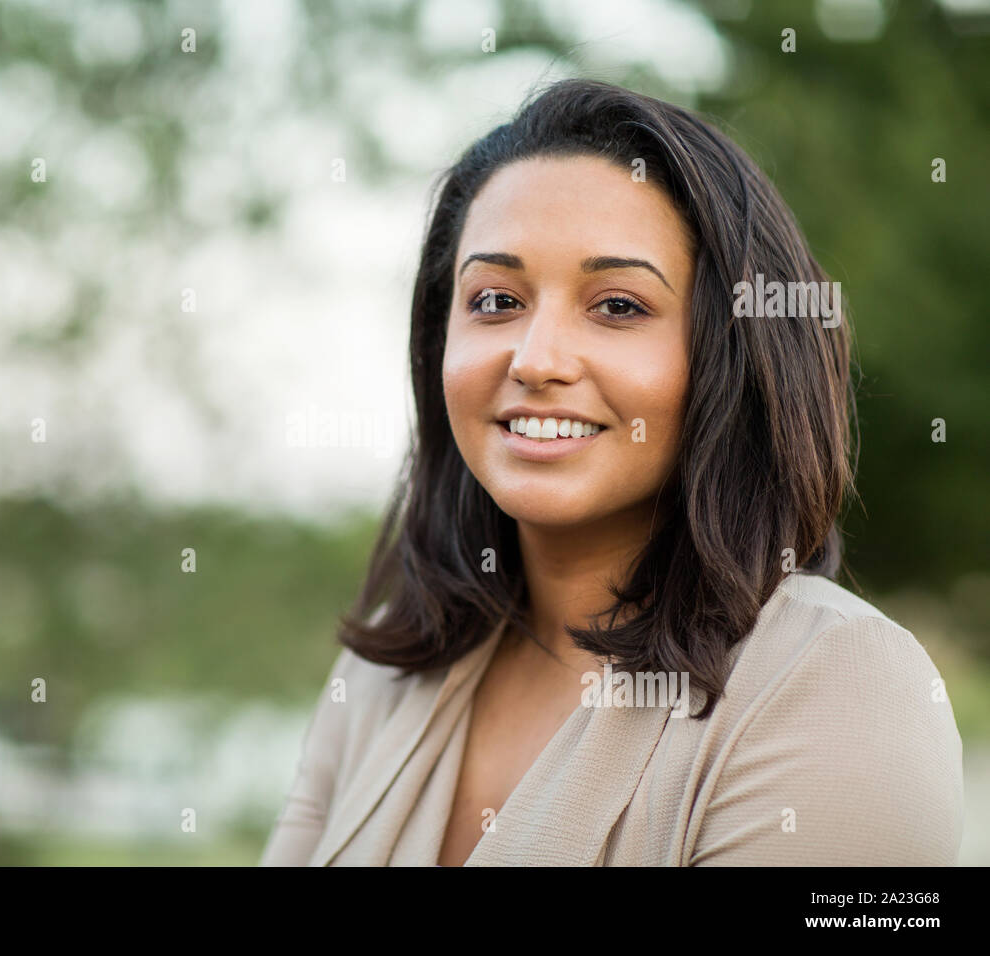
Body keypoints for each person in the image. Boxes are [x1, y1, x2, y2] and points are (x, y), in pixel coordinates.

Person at [259, 78, 963, 866]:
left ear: (731, 354)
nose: (536, 360)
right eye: (495, 300)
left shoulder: (838, 685)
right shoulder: (384, 675)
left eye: (618, 306)